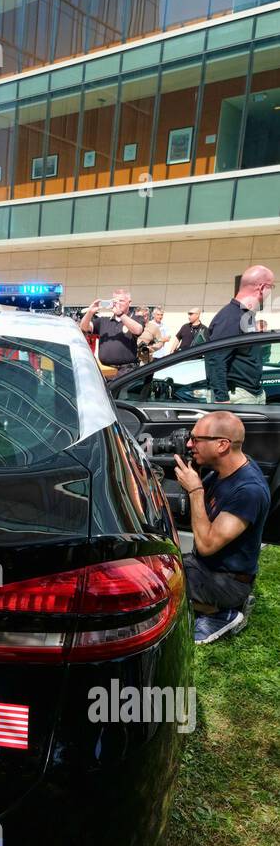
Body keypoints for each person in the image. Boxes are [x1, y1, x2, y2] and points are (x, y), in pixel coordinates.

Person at [174, 412, 271, 644]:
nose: (189, 444)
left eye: (196, 439)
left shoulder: (248, 491)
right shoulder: (226, 470)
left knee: (154, 590)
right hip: (205, 567)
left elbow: (207, 545)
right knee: (155, 567)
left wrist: (195, 490)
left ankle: (221, 612)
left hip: (227, 581)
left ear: (222, 445)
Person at [203, 265, 275, 404]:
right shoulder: (231, 317)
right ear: (261, 288)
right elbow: (215, 359)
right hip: (236, 396)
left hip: (252, 392)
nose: (270, 294)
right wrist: (222, 399)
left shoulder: (246, 315)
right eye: (271, 287)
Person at [80, 290, 144, 378]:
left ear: (129, 302)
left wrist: (120, 314)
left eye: (121, 301)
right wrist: (90, 312)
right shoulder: (103, 320)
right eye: (114, 301)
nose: (117, 304)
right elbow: (84, 327)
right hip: (105, 370)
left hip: (127, 371)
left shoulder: (136, 318)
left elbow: (138, 330)